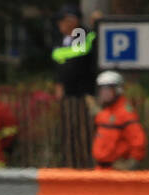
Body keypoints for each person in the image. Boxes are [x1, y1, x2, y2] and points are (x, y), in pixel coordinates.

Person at [52, 5, 99, 168]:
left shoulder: (80, 34)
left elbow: (75, 64)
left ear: (73, 21)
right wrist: (59, 82)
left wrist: (63, 83)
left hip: (80, 93)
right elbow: (60, 65)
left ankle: (83, 166)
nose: (60, 25)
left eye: (63, 21)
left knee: (82, 132)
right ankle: (71, 164)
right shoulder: (63, 39)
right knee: (70, 133)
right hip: (69, 94)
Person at [92, 71, 146, 170]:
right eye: (102, 89)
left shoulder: (126, 113)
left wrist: (131, 163)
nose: (104, 93)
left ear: (118, 90)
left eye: (107, 89)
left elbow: (138, 141)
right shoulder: (104, 112)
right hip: (100, 169)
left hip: (116, 171)